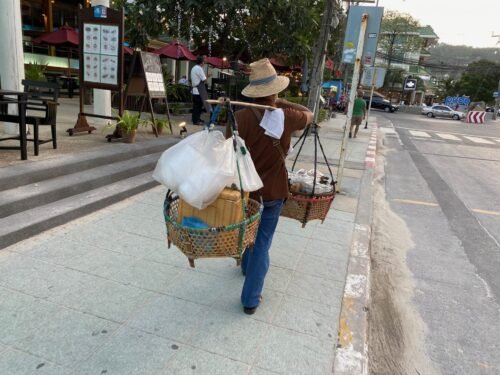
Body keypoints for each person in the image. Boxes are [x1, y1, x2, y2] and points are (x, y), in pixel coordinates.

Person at [230, 58, 313, 315]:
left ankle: (246, 266)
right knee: (263, 241)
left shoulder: (240, 116)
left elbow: (228, 149)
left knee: (248, 229)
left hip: (246, 189)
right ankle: (250, 299)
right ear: (274, 91)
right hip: (274, 190)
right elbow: (309, 113)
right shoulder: (286, 116)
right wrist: (281, 103)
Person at [191, 55, 211, 125]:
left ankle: (196, 119)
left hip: (195, 89)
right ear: (202, 62)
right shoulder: (199, 68)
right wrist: (207, 77)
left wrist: (206, 76)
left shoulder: (194, 68)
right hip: (198, 90)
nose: (204, 63)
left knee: (196, 106)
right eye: (204, 62)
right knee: (198, 106)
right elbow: (204, 80)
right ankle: (196, 120)